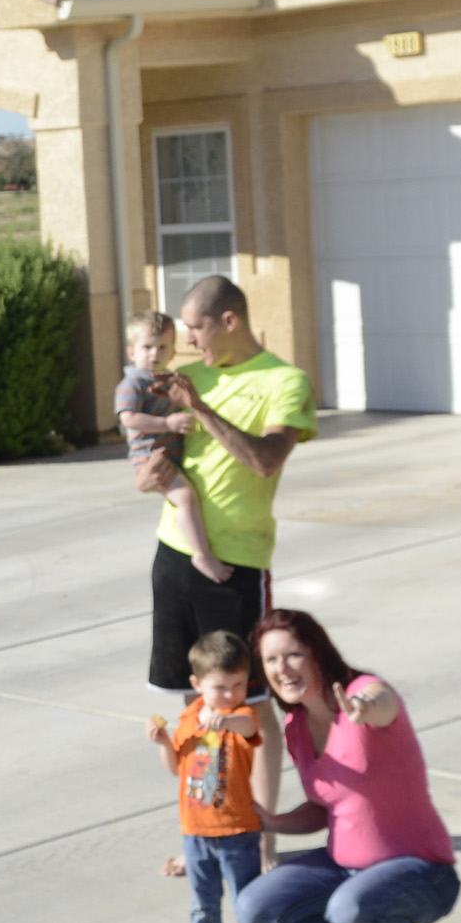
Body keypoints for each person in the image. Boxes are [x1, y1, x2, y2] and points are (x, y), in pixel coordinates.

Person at [141, 275, 319, 870]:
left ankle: (261, 835)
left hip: (237, 565)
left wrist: (202, 406)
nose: (187, 341)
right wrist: (149, 473)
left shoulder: (285, 382)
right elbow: (165, 454)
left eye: (195, 328)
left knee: (254, 702)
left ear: (229, 321)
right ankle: (202, 833)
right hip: (175, 554)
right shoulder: (193, 378)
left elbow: (265, 461)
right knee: (197, 704)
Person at [237, 610, 460, 923]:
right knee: (254, 908)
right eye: (270, 660)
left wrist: (362, 707)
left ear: (317, 652)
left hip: (421, 871)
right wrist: (270, 821)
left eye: (292, 655)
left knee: (350, 907)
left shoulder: (364, 691)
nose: (282, 668)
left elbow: (382, 701)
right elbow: (328, 807)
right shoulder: (297, 726)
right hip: (345, 870)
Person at [147, 630, 273, 923]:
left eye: (238, 684)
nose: (231, 694)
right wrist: (161, 743)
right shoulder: (189, 718)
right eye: (220, 687)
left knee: (244, 903)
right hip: (195, 830)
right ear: (196, 684)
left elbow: (250, 728)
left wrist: (227, 720)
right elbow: (176, 767)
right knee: (203, 906)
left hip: (237, 830)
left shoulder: (242, 714)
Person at [117, 312, 227, 585]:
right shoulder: (132, 384)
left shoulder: (169, 379)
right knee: (186, 498)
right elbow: (128, 419)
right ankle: (201, 554)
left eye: (162, 347)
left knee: (187, 498)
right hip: (150, 458)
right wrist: (168, 422)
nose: (155, 354)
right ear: (132, 352)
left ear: (173, 351)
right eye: (147, 347)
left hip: (171, 454)